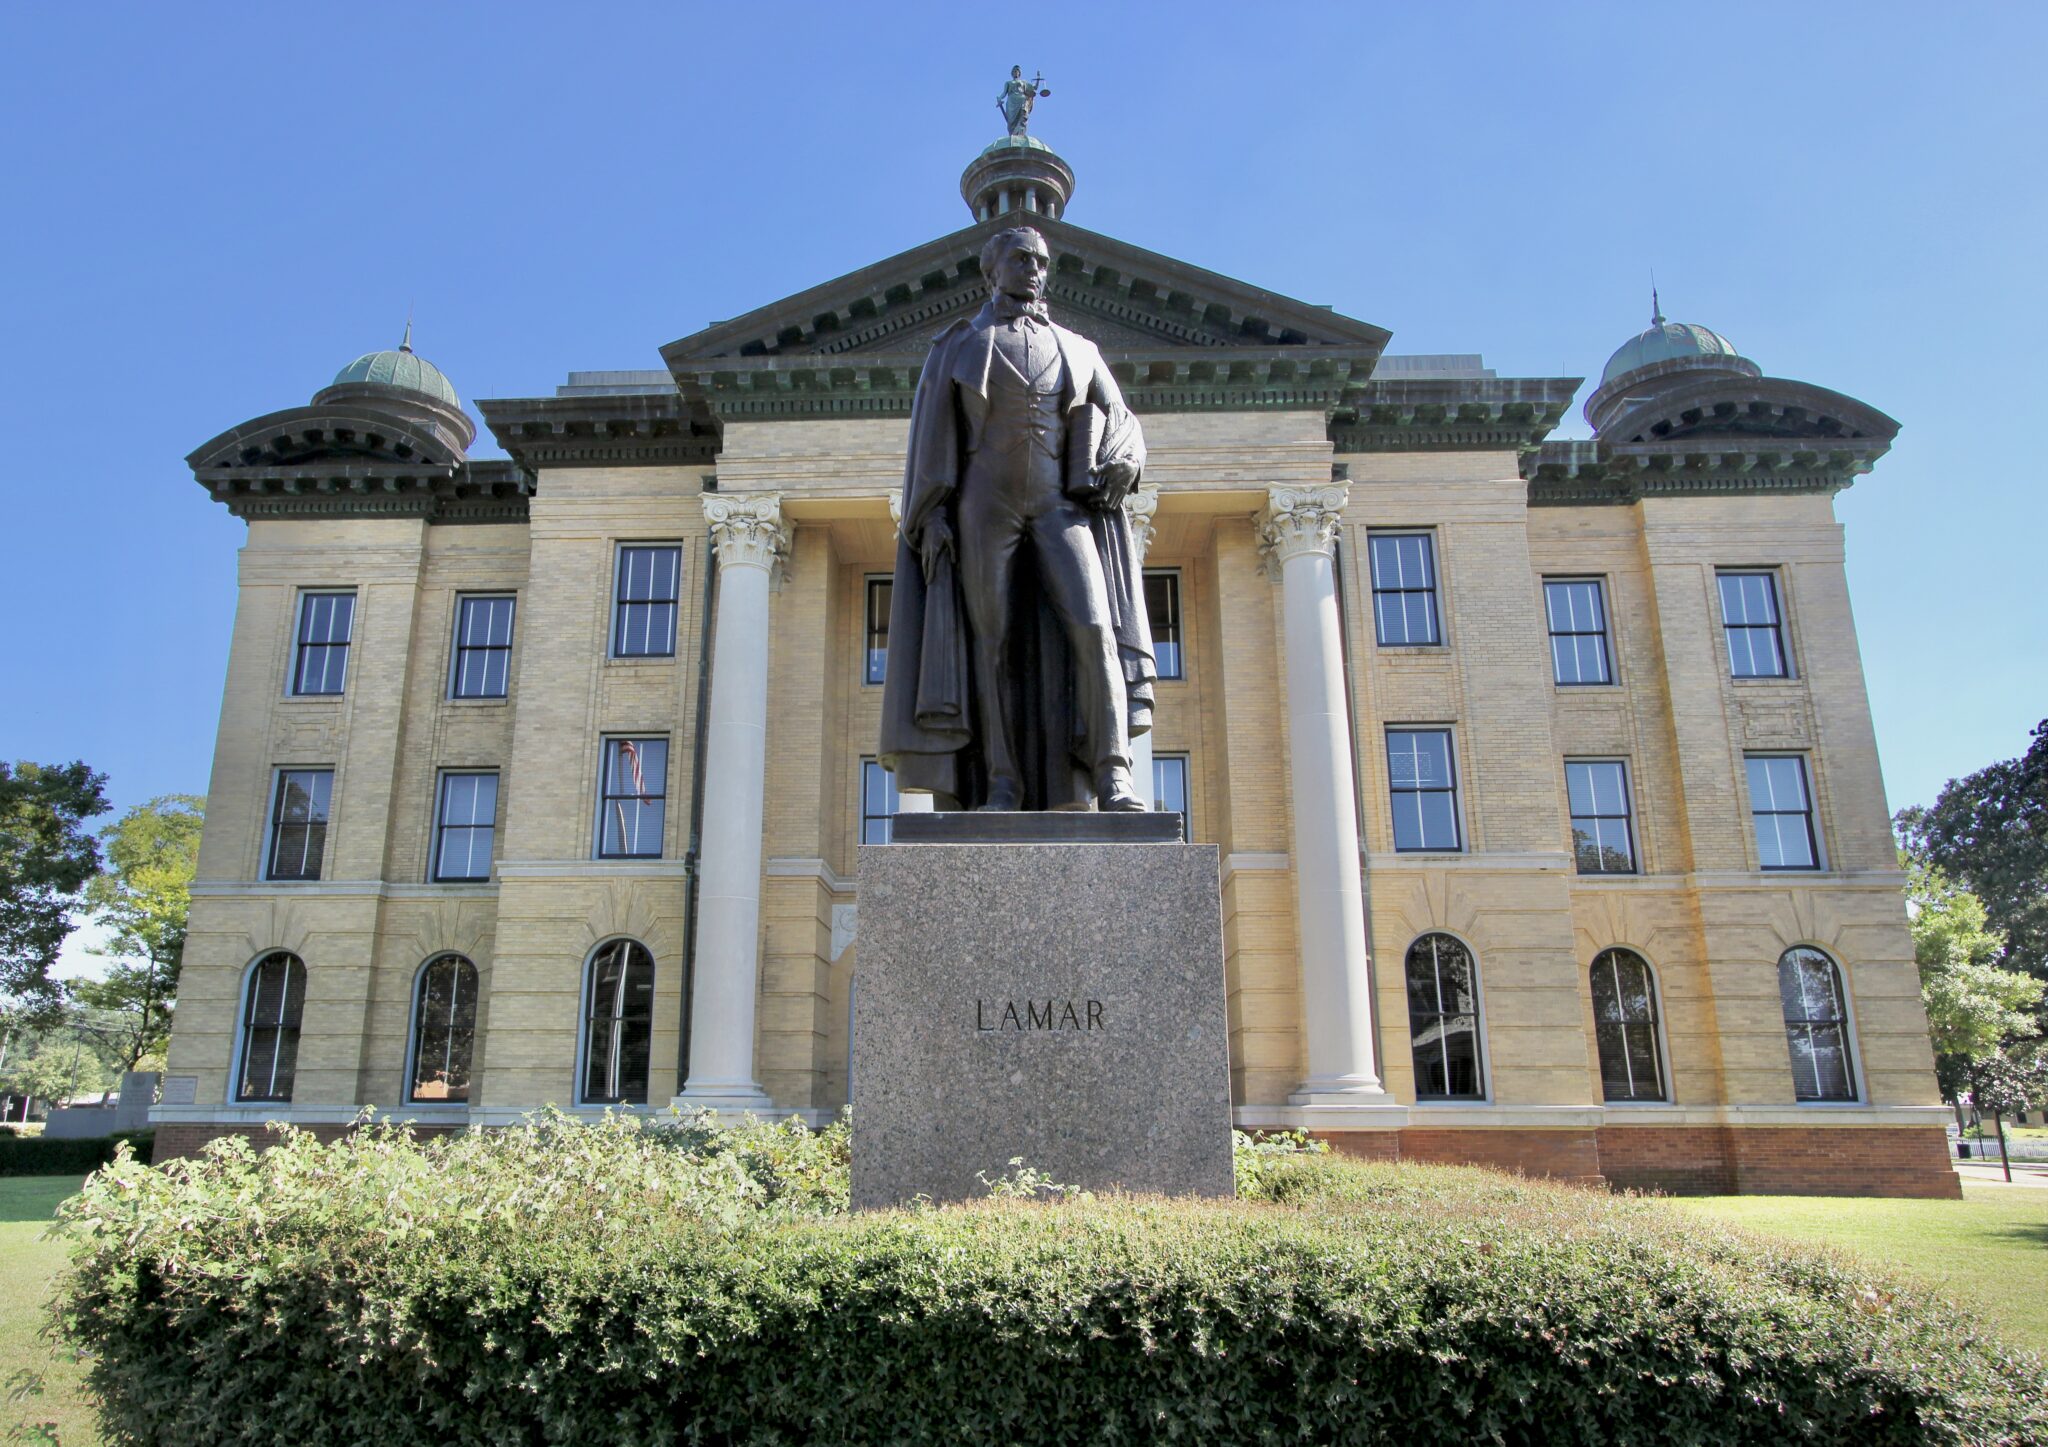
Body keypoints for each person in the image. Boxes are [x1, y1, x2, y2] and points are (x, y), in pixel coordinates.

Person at [879, 225, 1155, 812]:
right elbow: (933, 438)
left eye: (1042, 261)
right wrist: (930, 517)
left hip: (1061, 504)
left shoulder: (1080, 348)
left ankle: (1114, 775)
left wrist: (1127, 460)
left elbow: (1122, 418)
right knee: (990, 640)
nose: (1035, 270)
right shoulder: (956, 345)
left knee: (1094, 627)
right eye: (1022, 259)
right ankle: (1001, 779)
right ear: (993, 270)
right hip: (985, 504)